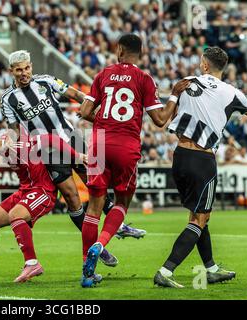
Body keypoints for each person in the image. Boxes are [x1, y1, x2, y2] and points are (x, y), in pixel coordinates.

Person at [0, 50, 146, 268]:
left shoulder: (46, 81)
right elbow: (14, 131)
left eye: (27, 68)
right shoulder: (8, 99)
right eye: (19, 70)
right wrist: (13, 144)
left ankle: (120, 225)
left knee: (96, 184)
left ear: (31, 66)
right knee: (71, 197)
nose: (24, 73)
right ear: (11, 71)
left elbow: (77, 95)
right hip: (48, 151)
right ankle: (98, 248)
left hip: (71, 139)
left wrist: (98, 115)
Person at [153, 47, 247, 288]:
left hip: (179, 155)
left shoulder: (185, 82)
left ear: (205, 65)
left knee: (199, 216)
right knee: (199, 219)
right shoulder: (232, 92)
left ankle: (210, 268)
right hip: (202, 159)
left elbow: (171, 113)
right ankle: (166, 271)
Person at [79, 33, 190, 287]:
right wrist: (174, 95)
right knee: (121, 202)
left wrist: (104, 124)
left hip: (98, 142)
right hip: (126, 146)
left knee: (94, 206)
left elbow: (84, 111)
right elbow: (161, 120)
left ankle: (87, 272)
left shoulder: (103, 74)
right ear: (139, 53)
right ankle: (100, 244)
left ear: (119, 50)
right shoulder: (144, 79)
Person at [0, 127, 87, 283]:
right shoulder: (5, 145)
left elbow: (51, 139)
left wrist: (76, 155)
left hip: (42, 190)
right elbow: (7, 137)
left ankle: (32, 263)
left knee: (15, 215)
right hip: (25, 190)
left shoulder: (18, 146)